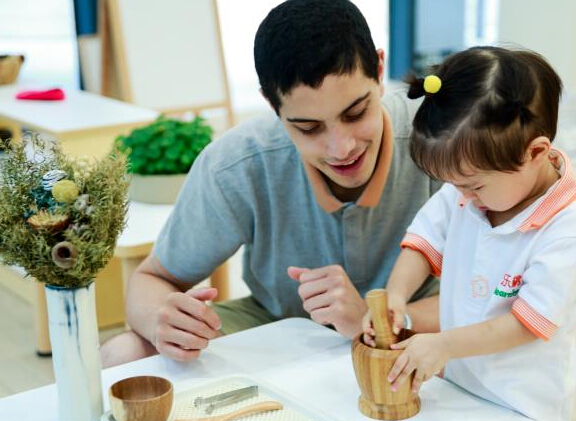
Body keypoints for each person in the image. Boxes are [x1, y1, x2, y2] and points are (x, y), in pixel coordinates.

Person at [100, 0, 440, 368]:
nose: (341, 148)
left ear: (378, 70)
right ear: (270, 104)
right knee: (123, 355)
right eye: (308, 128)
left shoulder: (442, 139)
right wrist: (163, 321)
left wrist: (375, 319)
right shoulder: (237, 164)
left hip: (420, 331)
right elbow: (151, 280)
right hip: (276, 328)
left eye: (356, 113)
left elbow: (496, 299)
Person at [363, 46, 575, 421]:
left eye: (473, 186)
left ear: (535, 153)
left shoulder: (565, 229)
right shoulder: (469, 190)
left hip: (524, 413)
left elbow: (527, 323)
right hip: (461, 393)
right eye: (455, 186)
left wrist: (442, 344)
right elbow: (422, 242)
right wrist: (397, 296)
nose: (462, 197)